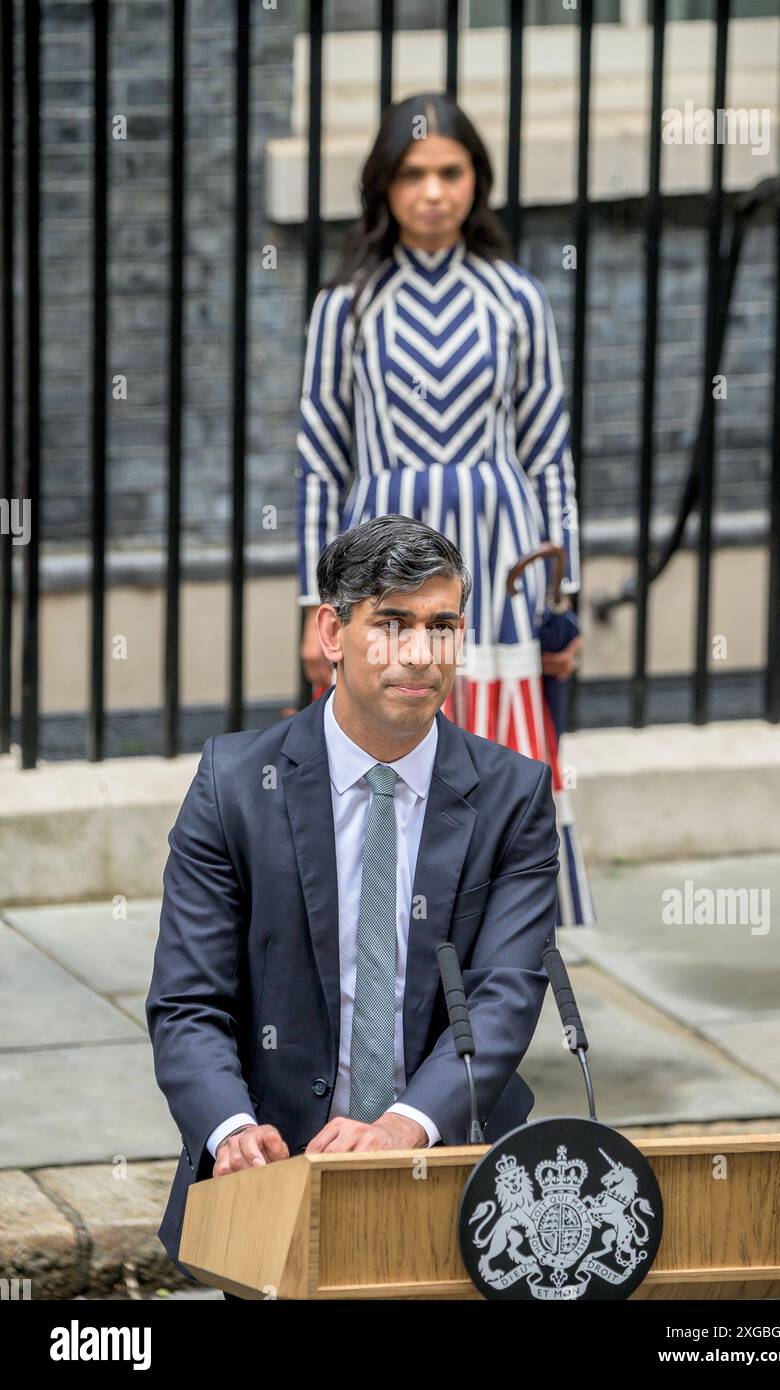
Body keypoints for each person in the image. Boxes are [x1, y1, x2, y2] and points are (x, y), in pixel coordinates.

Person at [146, 515, 562, 1296]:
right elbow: (188, 1002)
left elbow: (504, 997)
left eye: (441, 627)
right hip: (276, 1183)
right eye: (391, 624)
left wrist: (405, 1124)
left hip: (456, 1177)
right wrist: (233, 1132)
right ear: (332, 632)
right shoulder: (234, 785)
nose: (418, 654)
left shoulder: (513, 795)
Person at [296, 90, 595, 927]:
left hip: (498, 573)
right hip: (377, 563)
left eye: (450, 172)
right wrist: (311, 610)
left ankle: (498, 959)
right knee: (387, 744)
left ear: (477, 181)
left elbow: (547, 455)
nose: (432, 191)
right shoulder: (343, 308)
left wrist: (560, 605)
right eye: (412, 173)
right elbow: (319, 462)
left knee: (499, 764)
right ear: (384, 187)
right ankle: (385, 953)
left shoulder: (516, 298)